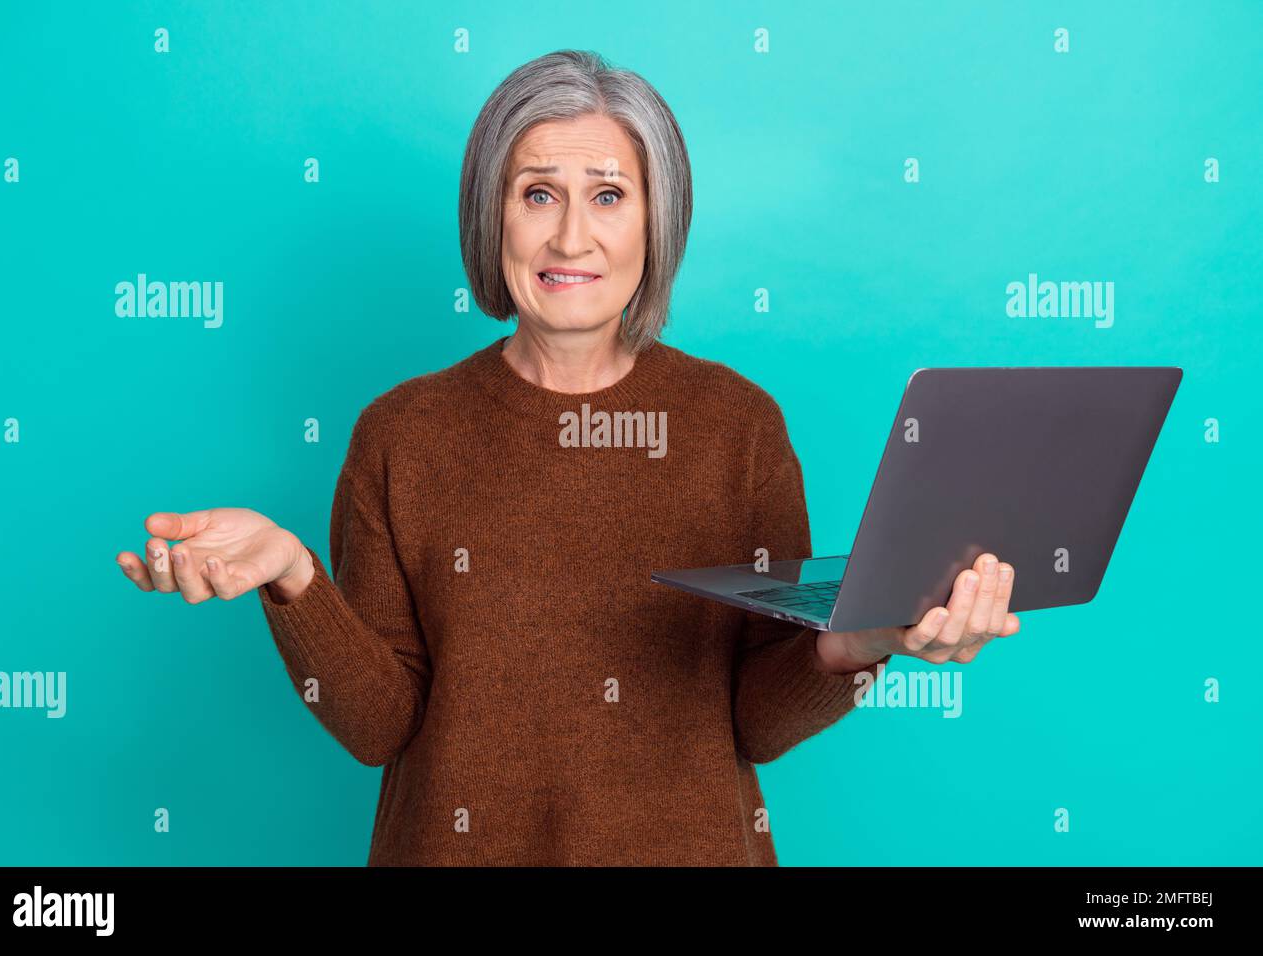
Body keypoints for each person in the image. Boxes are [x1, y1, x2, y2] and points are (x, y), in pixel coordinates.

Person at [115, 50, 1019, 866]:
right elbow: (381, 727)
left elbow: (754, 720)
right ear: (491, 215)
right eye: (538, 193)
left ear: (656, 221)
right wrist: (292, 575)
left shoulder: (738, 426)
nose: (571, 238)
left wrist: (864, 641)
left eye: (609, 195)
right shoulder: (400, 433)